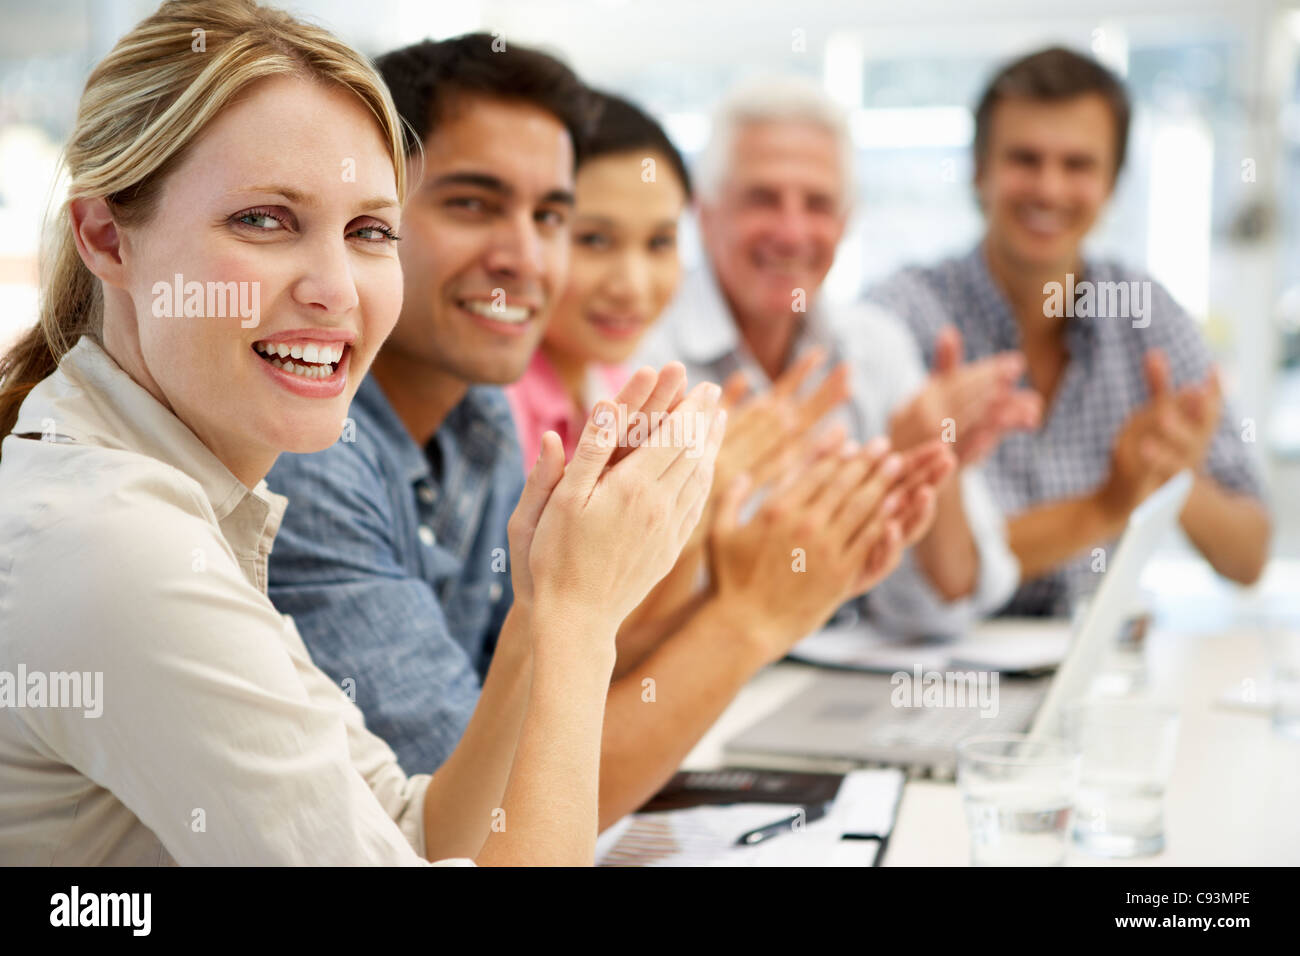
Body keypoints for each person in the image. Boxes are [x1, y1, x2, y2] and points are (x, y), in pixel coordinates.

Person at [0, 0, 722, 866]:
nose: (337, 289)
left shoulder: (189, 506)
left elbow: (413, 830)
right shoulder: (120, 550)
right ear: (107, 237)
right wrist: (580, 622)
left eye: (370, 230)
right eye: (263, 220)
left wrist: (538, 613)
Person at [868, 47, 1270, 616]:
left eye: (1078, 165)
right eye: (1025, 159)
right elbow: (913, 571)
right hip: (936, 665)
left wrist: (1169, 476)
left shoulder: (1146, 316)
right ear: (979, 171)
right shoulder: (900, 319)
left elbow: (1249, 557)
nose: (1050, 189)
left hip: (1092, 666)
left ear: (1111, 184)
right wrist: (1109, 503)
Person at [637, 76, 1042, 636]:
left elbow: (951, 600)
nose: (792, 230)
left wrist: (926, 468)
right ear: (705, 214)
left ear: (846, 223)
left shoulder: (875, 345)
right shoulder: (646, 358)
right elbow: (626, 615)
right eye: (762, 198)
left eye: (818, 204)